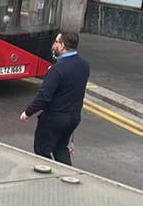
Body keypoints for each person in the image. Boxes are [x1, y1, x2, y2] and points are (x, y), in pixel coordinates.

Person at [19, 30, 90, 165]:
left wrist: (28, 112)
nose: (53, 45)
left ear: (62, 46)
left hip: (54, 119)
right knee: (60, 148)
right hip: (73, 117)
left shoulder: (57, 69)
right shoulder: (84, 65)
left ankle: (49, 179)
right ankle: (67, 176)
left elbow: (44, 97)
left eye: (56, 42)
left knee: (42, 151)